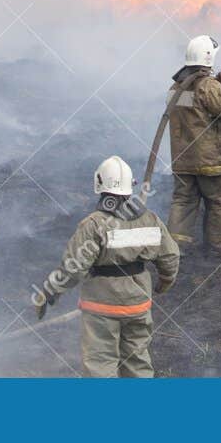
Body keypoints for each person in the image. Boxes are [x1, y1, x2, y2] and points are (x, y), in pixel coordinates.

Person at [34, 156, 180, 378]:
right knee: (138, 361)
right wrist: (165, 281)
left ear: (99, 185)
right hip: (138, 304)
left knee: (100, 364)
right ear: (130, 186)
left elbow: (74, 268)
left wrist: (50, 292)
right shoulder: (149, 219)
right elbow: (170, 255)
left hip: (101, 307)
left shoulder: (93, 224)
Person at [164, 34, 221, 257]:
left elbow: (194, 116)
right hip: (209, 160)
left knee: (183, 201)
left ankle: (174, 249)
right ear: (208, 58)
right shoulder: (207, 85)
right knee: (218, 201)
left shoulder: (176, 87)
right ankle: (216, 247)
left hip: (182, 158)